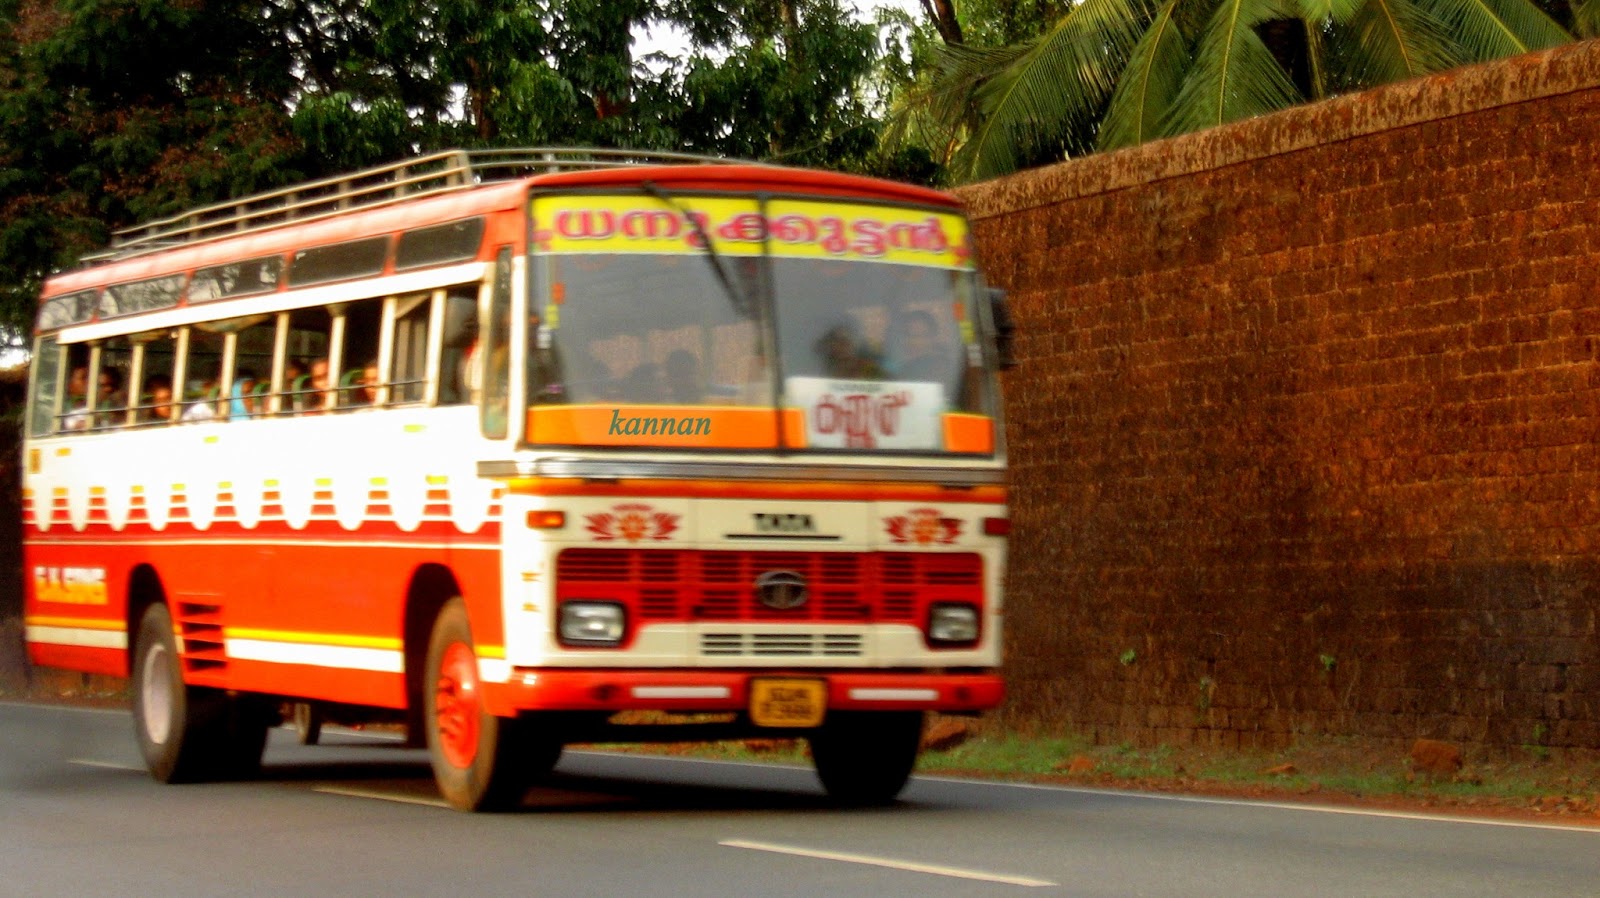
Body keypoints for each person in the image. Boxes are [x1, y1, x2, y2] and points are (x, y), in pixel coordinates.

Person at [892, 310, 948, 382]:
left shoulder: (940, 367)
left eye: (920, 336)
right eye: (908, 335)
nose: (913, 341)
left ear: (933, 338)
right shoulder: (900, 367)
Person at [815, 322, 883, 380]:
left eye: (844, 341)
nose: (841, 346)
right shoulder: (819, 369)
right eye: (836, 341)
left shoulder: (868, 369)